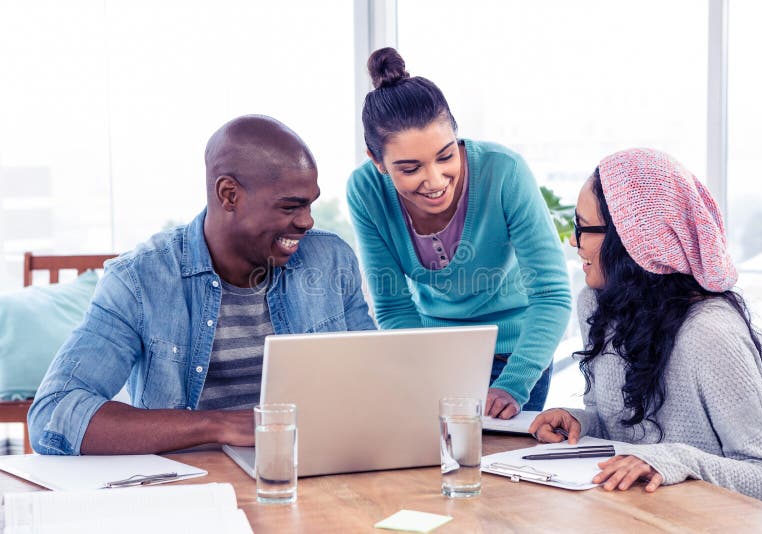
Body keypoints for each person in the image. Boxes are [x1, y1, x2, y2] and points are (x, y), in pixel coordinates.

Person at [28, 115, 376, 455]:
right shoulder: (140, 279)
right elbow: (53, 414)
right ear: (229, 195)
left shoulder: (331, 259)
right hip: (191, 490)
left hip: (312, 473)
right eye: (290, 207)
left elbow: (376, 380)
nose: (307, 221)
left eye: (310, 203)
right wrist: (220, 426)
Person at [529, 148, 762, 509]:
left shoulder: (710, 333)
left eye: (584, 228)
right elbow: (626, 432)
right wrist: (579, 423)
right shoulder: (597, 305)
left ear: (631, 241)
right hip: (628, 517)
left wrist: (677, 461)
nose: (573, 242)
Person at [347, 48, 571, 419]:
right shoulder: (366, 191)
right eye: (410, 168)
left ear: (456, 134)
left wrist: (514, 382)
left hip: (517, 355)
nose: (435, 181)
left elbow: (551, 294)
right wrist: (431, 377)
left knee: (504, 471)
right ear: (377, 161)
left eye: (446, 156)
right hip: (433, 353)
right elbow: (393, 306)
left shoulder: (504, 172)